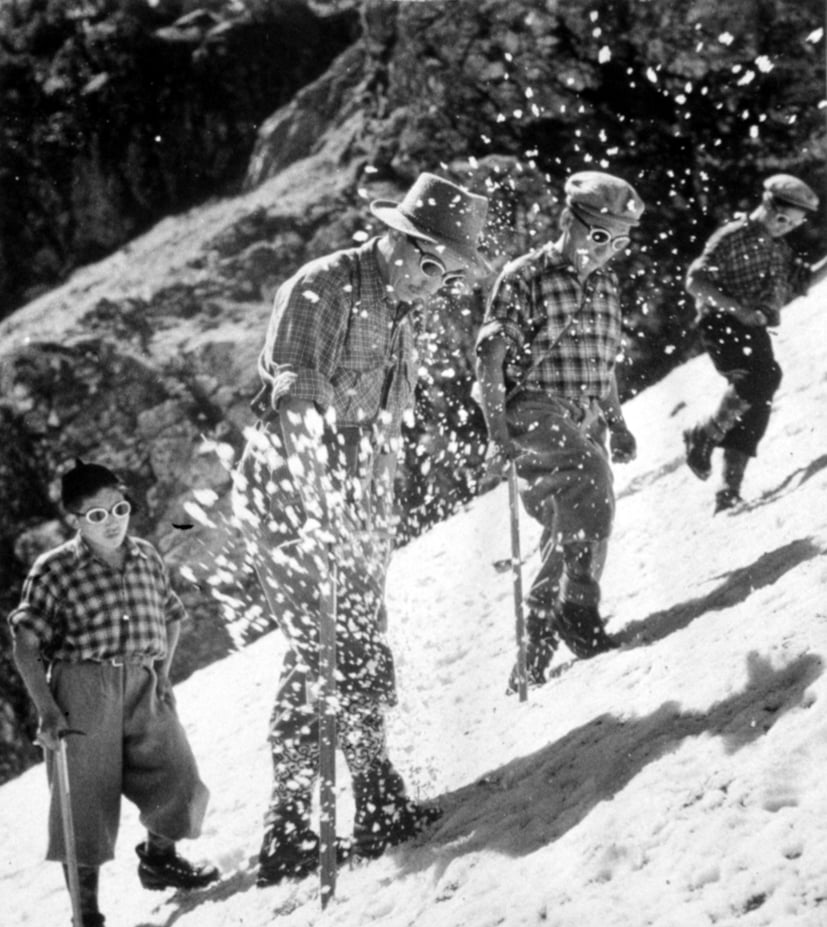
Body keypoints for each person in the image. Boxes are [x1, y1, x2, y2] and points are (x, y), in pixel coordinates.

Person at [233, 172, 490, 886]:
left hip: (357, 502)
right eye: (431, 266)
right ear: (397, 239)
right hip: (294, 498)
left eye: (448, 275)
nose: (436, 286)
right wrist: (319, 508)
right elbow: (297, 404)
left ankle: (320, 813)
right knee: (332, 649)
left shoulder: (403, 304)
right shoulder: (324, 286)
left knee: (342, 647)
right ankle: (345, 806)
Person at [8, 460, 218, 927]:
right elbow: (25, 644)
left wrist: (162, 672)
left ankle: (161, 860)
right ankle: (88, 923)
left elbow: (171, 615)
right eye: (97, 514)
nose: (112, 521)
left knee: (178, 777)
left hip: (143, 682)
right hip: (83, 690)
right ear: (76, 519)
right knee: (84, 808)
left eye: (119, 509)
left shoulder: (145, 556)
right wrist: (46, 710)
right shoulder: (55, 569)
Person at [475, 170, 644, 689]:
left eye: (619, 242)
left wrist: (617, 423)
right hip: (531, 409)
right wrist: (497, 436)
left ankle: (533, 656)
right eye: (600, 236)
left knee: (572, 521)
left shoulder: (607, 284)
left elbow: (602, 365)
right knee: (590, 478)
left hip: (584, 414)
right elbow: (489, 357)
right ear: (569, 221)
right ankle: (579, 609)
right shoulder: (525, 275)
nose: (607, 251)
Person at [683, 173, 819, 512]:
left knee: (758, 400)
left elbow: (802, 279)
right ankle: (703, 433)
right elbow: (695, 282)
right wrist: (738, 310)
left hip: (754, 328)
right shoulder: (732, 236)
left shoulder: (778, 248)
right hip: (721, 324)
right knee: (763, 377)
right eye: (782, 218)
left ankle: (728, 490)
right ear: (767, 205)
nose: (784, 227)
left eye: (793, 224)